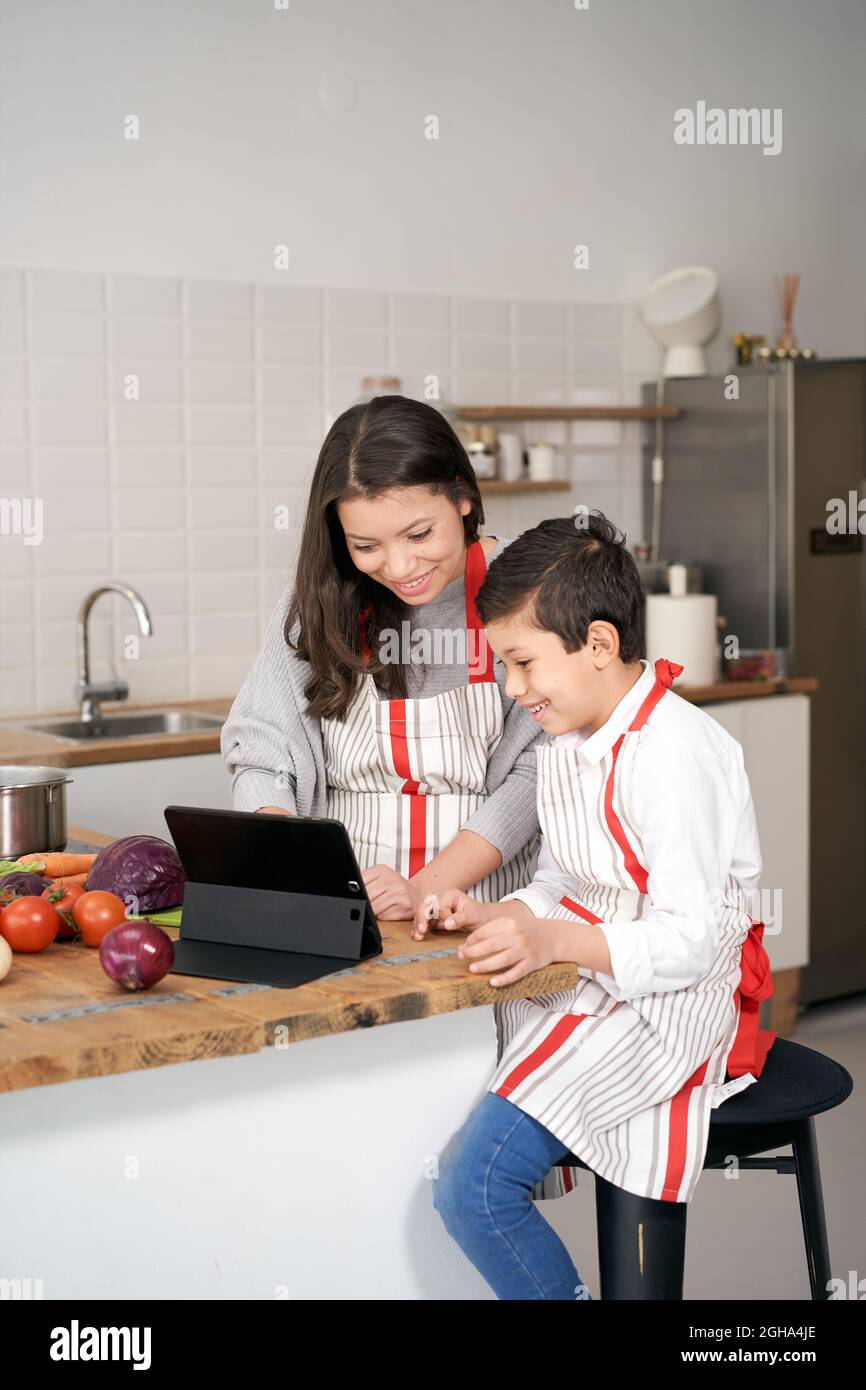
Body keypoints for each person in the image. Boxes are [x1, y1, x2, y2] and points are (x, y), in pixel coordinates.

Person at [415, 511, 777, 1300]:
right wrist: (510, 913)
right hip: (601, 977)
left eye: (522, 663)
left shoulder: (675, 756)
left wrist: (553, 942)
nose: (514, 689)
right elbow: (565, 879)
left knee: (472, 1191)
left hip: (672, 999)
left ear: (601, 645)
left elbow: (684, 942)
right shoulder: (571, 739)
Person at [220, 393, 543, 926]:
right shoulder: (318, 602)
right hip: (339, 910)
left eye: (419, 535)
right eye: (366, 545)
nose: (399, 567)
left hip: (481, 913)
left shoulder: (526, 593)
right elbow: (262, 748)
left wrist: (421, 891)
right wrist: (278, 855)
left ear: (462, 497)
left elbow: (534, 777)